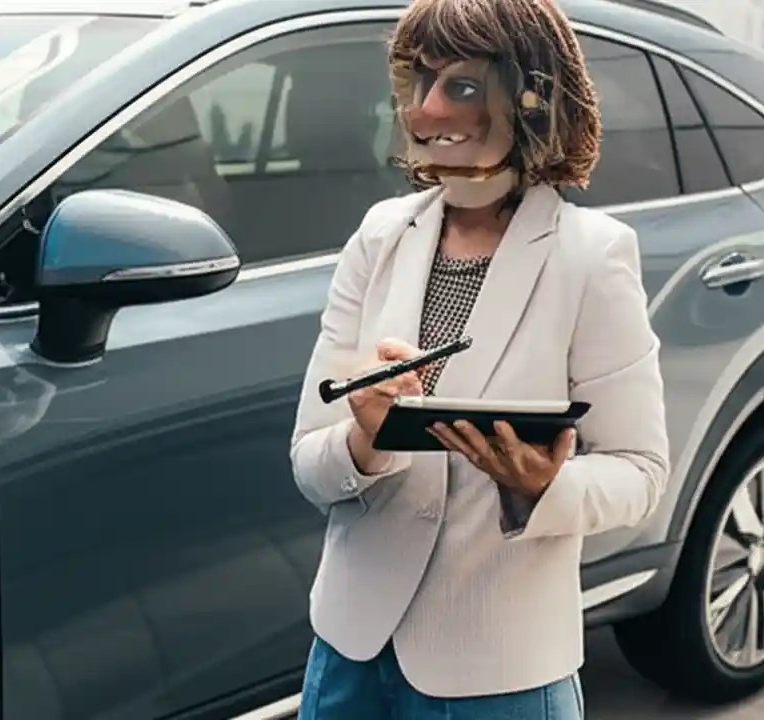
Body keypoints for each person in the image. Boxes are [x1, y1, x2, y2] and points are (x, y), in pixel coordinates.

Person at [287, 0, 670, 717]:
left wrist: (542, 487)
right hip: (349, 649)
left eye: (461, 86)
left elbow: (640, 472)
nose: (425, 110)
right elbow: (309, 459)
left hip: (499, 672)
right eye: (420, 81)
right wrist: (365, 441)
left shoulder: (591, 257)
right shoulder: (380, 237)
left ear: (533, 99)